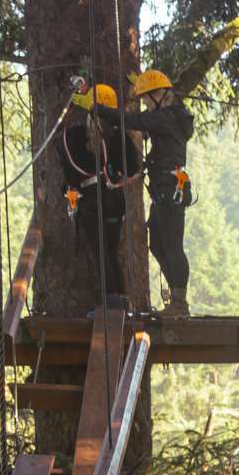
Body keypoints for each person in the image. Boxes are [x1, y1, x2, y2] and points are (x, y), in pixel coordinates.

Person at [95, 69, 195, 316]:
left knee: (172, 245)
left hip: (170, 190)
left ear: (159, 95)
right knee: (158, 245)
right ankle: (176, 298)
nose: (147, 105)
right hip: (164, 190)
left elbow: (133, 121)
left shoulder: (166, 117)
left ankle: (180, 303)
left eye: (148, 100)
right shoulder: (170, 115)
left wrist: (97, 109)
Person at [59, 83, 142, 308]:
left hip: (93, 200)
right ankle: (121, 299)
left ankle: (112, 300)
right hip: (115, 199)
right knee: (111, 252)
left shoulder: (74, 134)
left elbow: (73, 168)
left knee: (101, 254)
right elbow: (132, 166)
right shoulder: (116, 133)